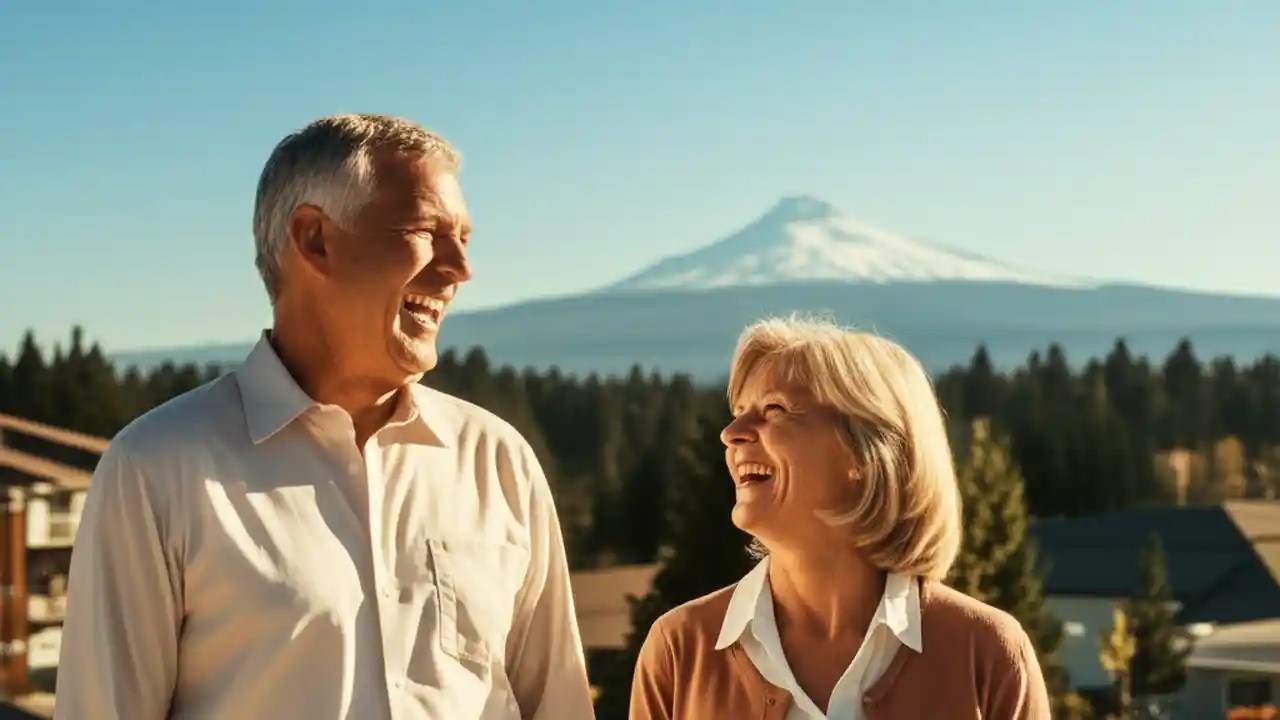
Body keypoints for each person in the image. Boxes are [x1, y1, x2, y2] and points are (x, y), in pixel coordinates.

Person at [54, 114, 596, 720]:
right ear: (313, 238)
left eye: (464, 239)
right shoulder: (156, 469)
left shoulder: (498, 460)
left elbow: (558, 706)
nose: (458, 269)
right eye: (425, 231)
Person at [629, 316, 1051, 719]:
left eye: (774, 408)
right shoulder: (680, 650)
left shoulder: (987, 653)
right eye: (738, 409)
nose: (732, 432)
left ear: (865, 452)